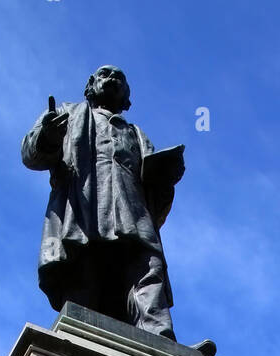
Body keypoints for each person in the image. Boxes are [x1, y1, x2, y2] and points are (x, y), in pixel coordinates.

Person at [21, 65, 184, 336]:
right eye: (105, 74)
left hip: (134, 213)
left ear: (126, 98)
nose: (112, 79)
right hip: (85, 207)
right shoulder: (68, 114)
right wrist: (46, 136)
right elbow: (30, 154)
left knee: (147, 267)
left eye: (119, 78)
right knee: (84, 267)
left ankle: (161, 339)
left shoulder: (137, 135)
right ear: (90, 86)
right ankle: (78, 335)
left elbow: (157, 193)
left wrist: (166, 177)